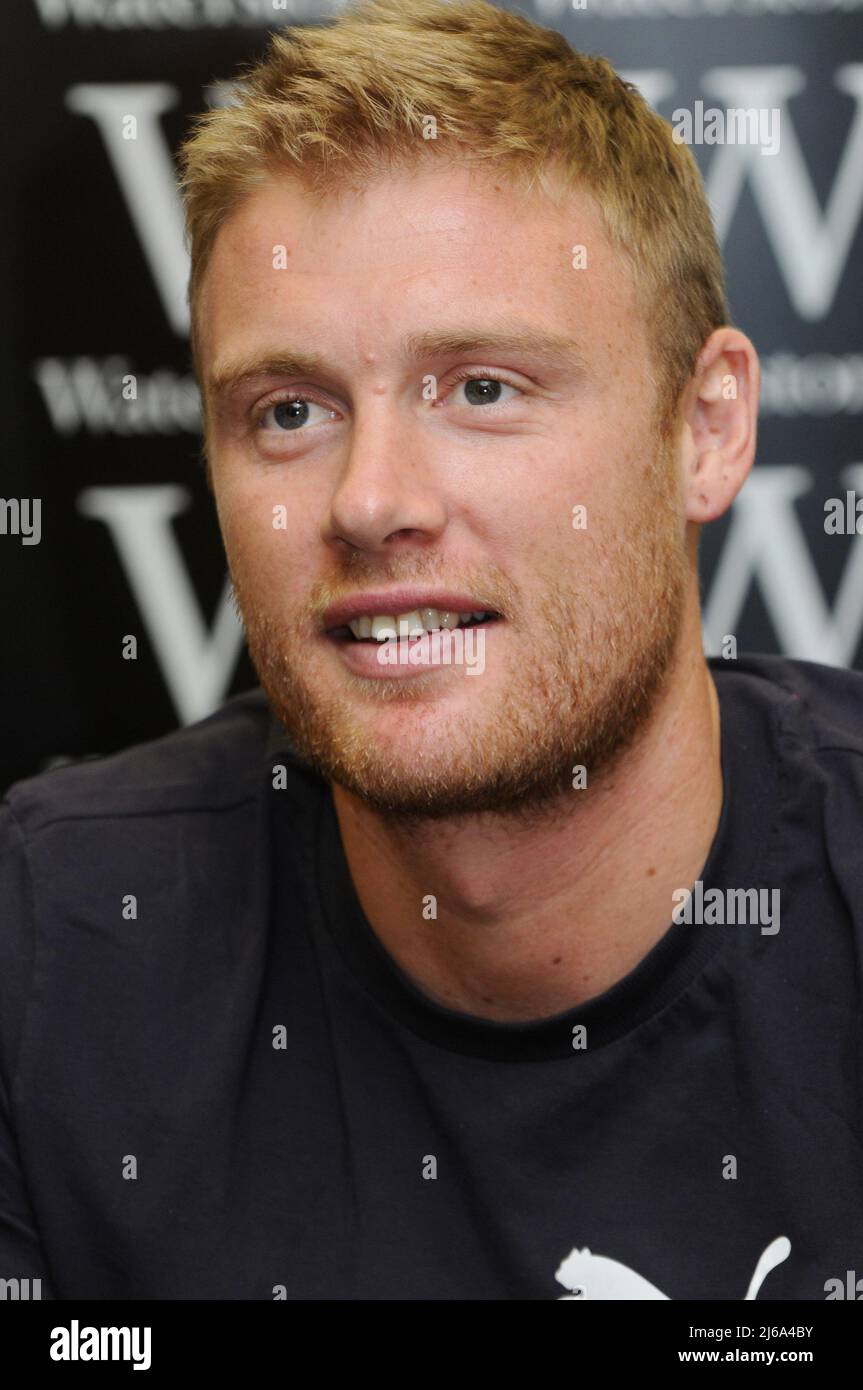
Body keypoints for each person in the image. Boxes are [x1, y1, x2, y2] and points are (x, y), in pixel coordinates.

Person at [1, 0, 861, 1302]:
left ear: (707, 428)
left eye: (481, 388)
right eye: (289, 409)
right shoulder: (49, 947)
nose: (370, 499)